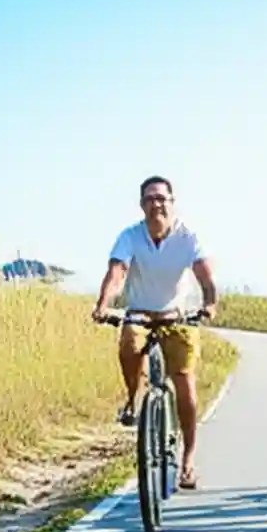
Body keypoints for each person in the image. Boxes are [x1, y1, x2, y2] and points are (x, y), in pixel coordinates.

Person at [91, 175, 218, 490]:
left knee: (185, 387)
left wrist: (210, 303)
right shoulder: (130, 236)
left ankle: (187, 461)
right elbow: (117, 272)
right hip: (140, 312)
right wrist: (104, 304)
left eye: (161, 198)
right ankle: (134, 399)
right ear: (141, 205)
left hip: (178, 315)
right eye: (149, 199)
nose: (156, 204)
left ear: (172, 202)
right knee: (128, 345)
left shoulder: (188, 237)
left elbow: (205, 276)